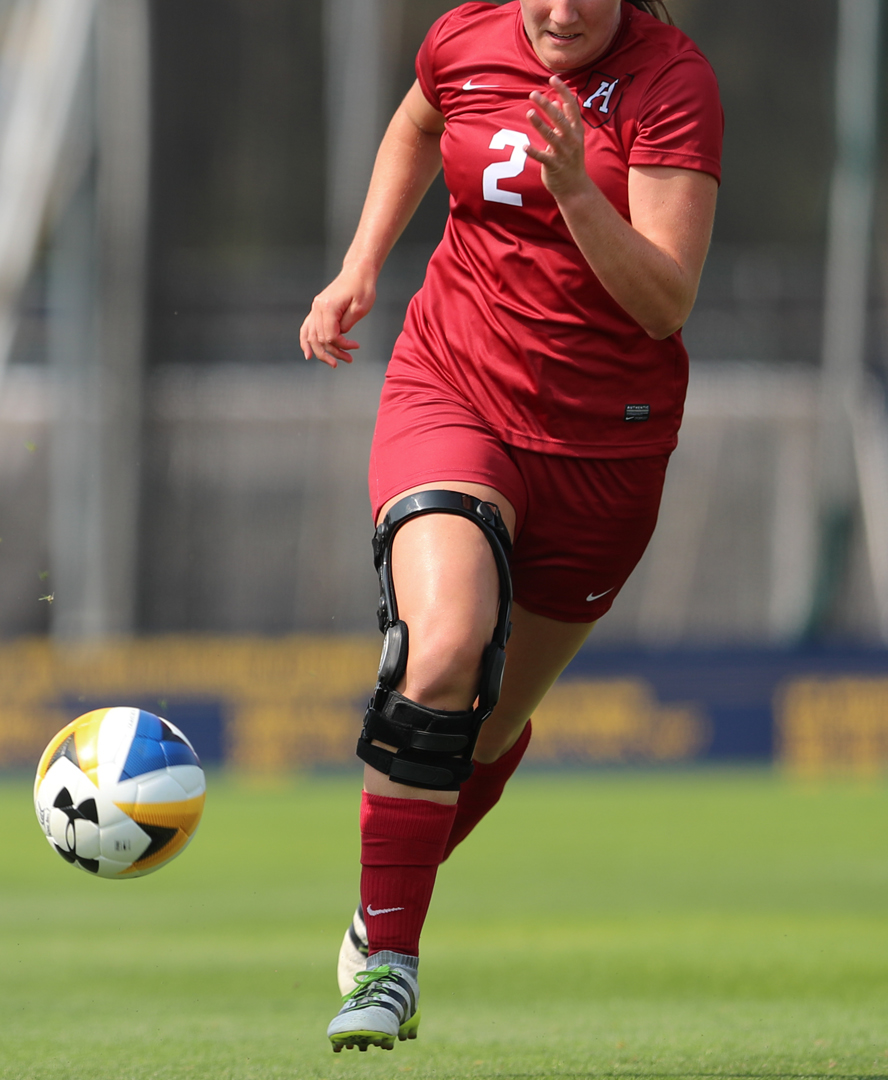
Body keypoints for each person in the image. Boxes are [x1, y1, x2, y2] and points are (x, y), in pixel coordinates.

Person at [297, 0, 720, 1053]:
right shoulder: (463, 38)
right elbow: (416, 124)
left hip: (604, 451)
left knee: (479, 730)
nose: (562, 12)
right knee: (441, 652)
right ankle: (390, 964)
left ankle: (377, 901)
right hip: (455, 390)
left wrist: (577, 187)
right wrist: (360, 267)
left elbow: (665, 303)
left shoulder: (674, 85)